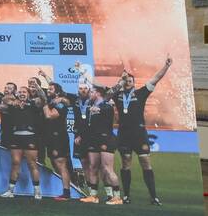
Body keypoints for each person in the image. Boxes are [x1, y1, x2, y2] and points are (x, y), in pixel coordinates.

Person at [110, 56, 173, 205]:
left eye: (130, 80)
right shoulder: (117, 95)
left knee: (145, 162)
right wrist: (120, 80)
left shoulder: (141, 93)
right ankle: (126, 196)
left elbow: (155, 78)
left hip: (139, 134)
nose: (128, 82)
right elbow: (108, 92)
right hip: (124, 135)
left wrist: (166, 66)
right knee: (126, 163)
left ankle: (154, 196)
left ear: (134, 83)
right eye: (126, 80)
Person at [74, 84, 122, 204]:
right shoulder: (90, 105)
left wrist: (100, 110)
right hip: (93, 140)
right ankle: (93, 196)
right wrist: (81, 135)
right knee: (93, 167)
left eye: (91, 92)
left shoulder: (106, 105)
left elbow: (110, 114)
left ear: (97, 93)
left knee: (107, 168)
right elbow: (88, 124)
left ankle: (117, 197)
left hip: (106, 140)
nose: (89, 94)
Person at [0, 86, 41, 199]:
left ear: (28, 94)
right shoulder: (13, 104)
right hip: (16, 137)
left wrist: (29, 100)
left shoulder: (33, 104)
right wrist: (13, 101)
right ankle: (10, 191)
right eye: (20, 92)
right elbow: (3, 102)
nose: (22, 93)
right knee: (15, 163)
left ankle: (37, 191)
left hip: (30, 137)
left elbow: (41, 99)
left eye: (24, 92)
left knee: (32, 164)